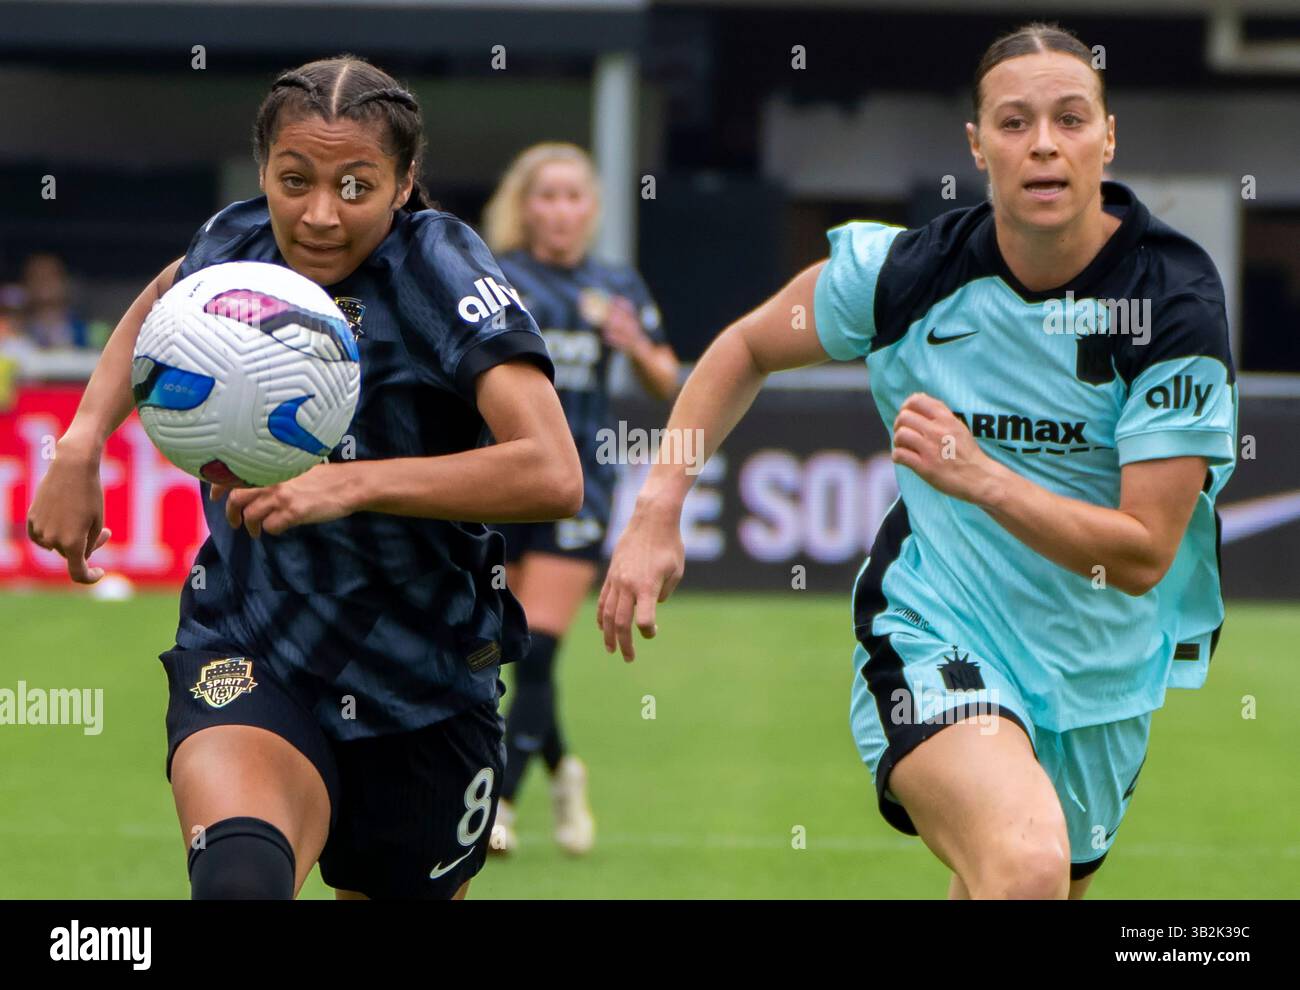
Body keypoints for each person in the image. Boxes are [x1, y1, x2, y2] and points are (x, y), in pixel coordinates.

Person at [597, 22, 1236, 899]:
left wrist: (982, 477)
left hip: (1102, 674)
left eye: (1070, 118)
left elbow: (1139, 555)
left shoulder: (1174, 307)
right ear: (977, 146)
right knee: (1026, 865)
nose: (1043, 143)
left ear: (1107, 136)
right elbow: (744, 348)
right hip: (937, 632)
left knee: (1009, 880)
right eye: (1013, 123)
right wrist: (657, 507)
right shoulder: (905, 273)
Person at [26, 54, 581, 900]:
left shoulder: (440, 271)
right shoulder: (236, 241)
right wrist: (82, 440)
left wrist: (350, 483)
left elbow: (552, 471)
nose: (320, 215)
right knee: (238, 883)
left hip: (423, 681)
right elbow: (161, 301)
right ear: (263, 173)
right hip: (253, 645)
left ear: (402, 185)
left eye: (356, 186)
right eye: (294, 181)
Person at [482, 143, 679, 854]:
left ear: (591, 209)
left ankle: (498, 804)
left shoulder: (614, 285)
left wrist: (634, 344)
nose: (561, 210)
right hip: (504, 479)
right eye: (547, 196)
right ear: (524, 205)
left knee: (535, 649)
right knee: (506, 644)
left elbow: (670, 381)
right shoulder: (498, 279)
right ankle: (564, 768)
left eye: (573, 197)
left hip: (580, 487)